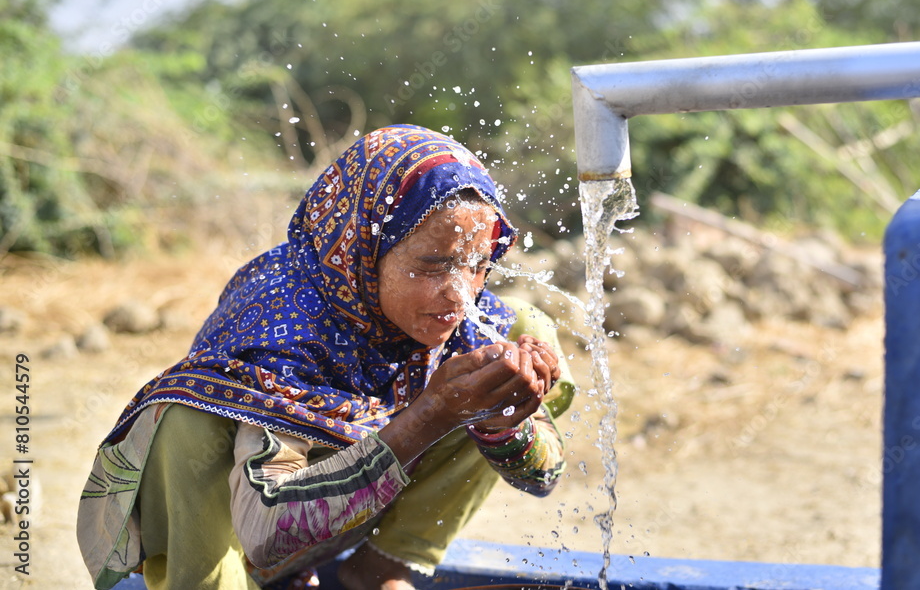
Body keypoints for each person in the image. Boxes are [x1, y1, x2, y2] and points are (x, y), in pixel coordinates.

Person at [77, 124, 575, 590]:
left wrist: (501, 417)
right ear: (363, 247)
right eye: (432, 266)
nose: (458, 293)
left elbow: (544, 477)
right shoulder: (281, 326)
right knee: (187, 421)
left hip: (344, 520)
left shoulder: (470, 321)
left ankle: (376, 570)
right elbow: (265, 530)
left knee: (511, 346)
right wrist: (434, 413)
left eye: (478, 265)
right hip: (238, 539)